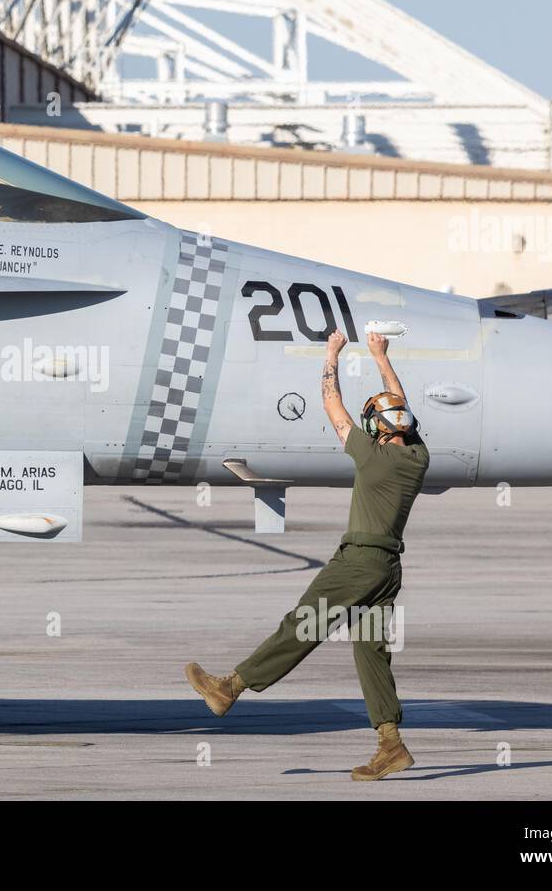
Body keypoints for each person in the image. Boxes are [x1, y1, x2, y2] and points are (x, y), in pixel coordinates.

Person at [184, 329, 430, 781]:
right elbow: (400, 403)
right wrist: (380, 357)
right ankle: (390, 743)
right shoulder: (417, 458)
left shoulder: (372, 457)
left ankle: (230, 687)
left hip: (357, 563)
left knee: (304, 624)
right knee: (371, 652)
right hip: (388, 567)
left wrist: (332, 354)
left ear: (377, 427)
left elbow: (331, 405)